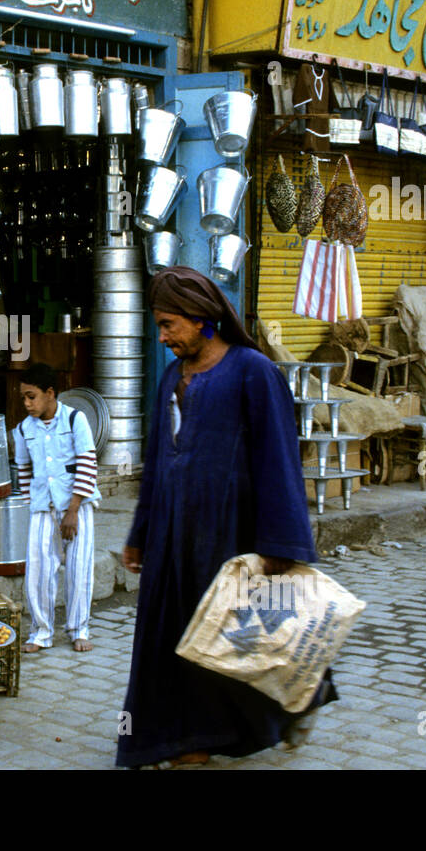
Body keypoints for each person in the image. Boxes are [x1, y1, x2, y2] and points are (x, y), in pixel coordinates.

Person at [116, 266, 336, 769]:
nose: (164, 335)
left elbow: (279, 459)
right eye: (159, 324)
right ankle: (183, 742)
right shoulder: (172, 376)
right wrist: (142, 531)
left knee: (239, 642)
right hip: (173, 540)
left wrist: (280, 544)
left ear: (202, 319)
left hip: (230, 536)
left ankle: (293, 702)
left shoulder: (253, 371)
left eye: (170, 324)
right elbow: (159, 461)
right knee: (176, 646)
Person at [13, 362, 100, 654]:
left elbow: (88, 465)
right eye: (23, 397)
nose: (27, 403)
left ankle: (79, 629)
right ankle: (41, 632)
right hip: (42, 508)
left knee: (78, 569)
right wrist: (33, 504)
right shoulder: (23, 430)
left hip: (77, 505)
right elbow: (24, 469)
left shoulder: (76, 420)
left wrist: (72, 510)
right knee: (38, 570)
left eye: (31, 396)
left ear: (50, 393)